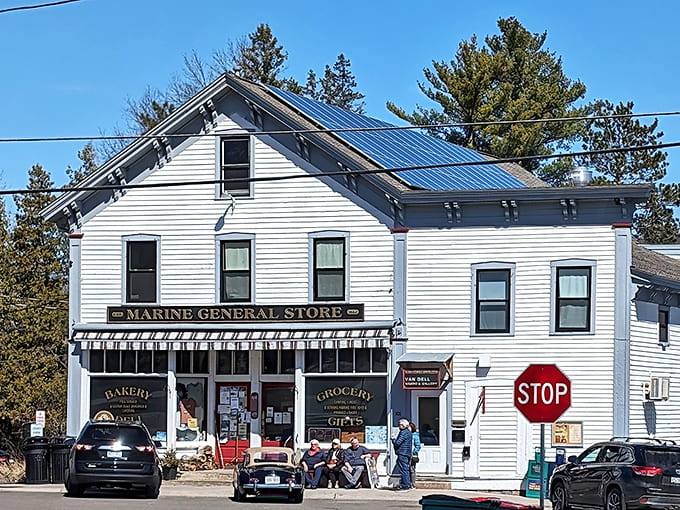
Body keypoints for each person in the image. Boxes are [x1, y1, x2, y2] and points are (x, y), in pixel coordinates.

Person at [392, 418, 412, 490]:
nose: (398, 426)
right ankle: (408, 484)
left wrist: (393, 439)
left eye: (400, 425)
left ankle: (405, 485)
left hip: (402, 453)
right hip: (407, 453)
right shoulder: (409, 432)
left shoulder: (403, 432)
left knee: (403, 469)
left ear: (403, 425)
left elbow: (397, 443)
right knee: (406, 469)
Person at [409, 422, 421, 489]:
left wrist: (414, 452)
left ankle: (412, 484)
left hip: (412, 455)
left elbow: (418, 445)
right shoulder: (407, 435)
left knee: (412, 469)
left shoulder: (415, 435)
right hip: (407, 454)